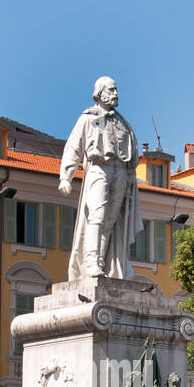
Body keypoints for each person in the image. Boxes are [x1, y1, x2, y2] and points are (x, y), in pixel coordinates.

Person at [59, 76, 141, 280]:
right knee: (96, 215)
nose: (116, 94)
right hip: (99, 169)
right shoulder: (87, 118)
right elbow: (73, 146)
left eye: (116, 90)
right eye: (111, 90)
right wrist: (66, 177)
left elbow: (132, 150)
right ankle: (91, 263)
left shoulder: (123, 123)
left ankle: (101, 263)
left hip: (120, 171)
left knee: (111, 220)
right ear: (100, 93)